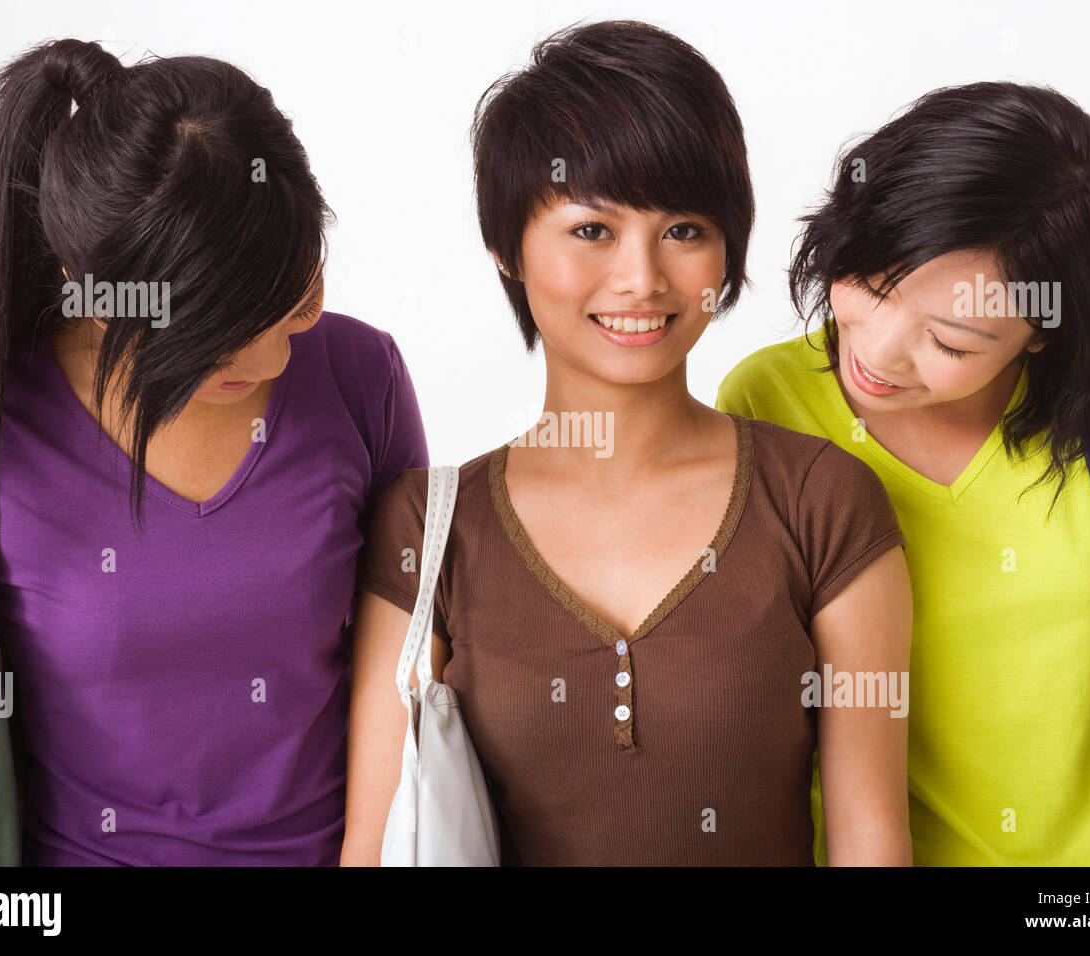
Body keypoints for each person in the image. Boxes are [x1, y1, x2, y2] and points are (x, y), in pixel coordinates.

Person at [340, 19, 912, 866]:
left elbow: (870, 840)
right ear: (506, 247)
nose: (642, 279)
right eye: (591, 230)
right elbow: (376, 843)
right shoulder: (429, 526)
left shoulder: (821, 502)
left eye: (684, 230)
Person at [0, 38, 427, 865]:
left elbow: (405, 667)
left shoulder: (363, 377)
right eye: (216, 343)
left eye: (295, 301)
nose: (272, 362)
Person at [717, 80, 1090, 865]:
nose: (875, 354)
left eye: (950, 342)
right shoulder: (765, 399)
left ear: (1048, 333)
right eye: (871, 285)